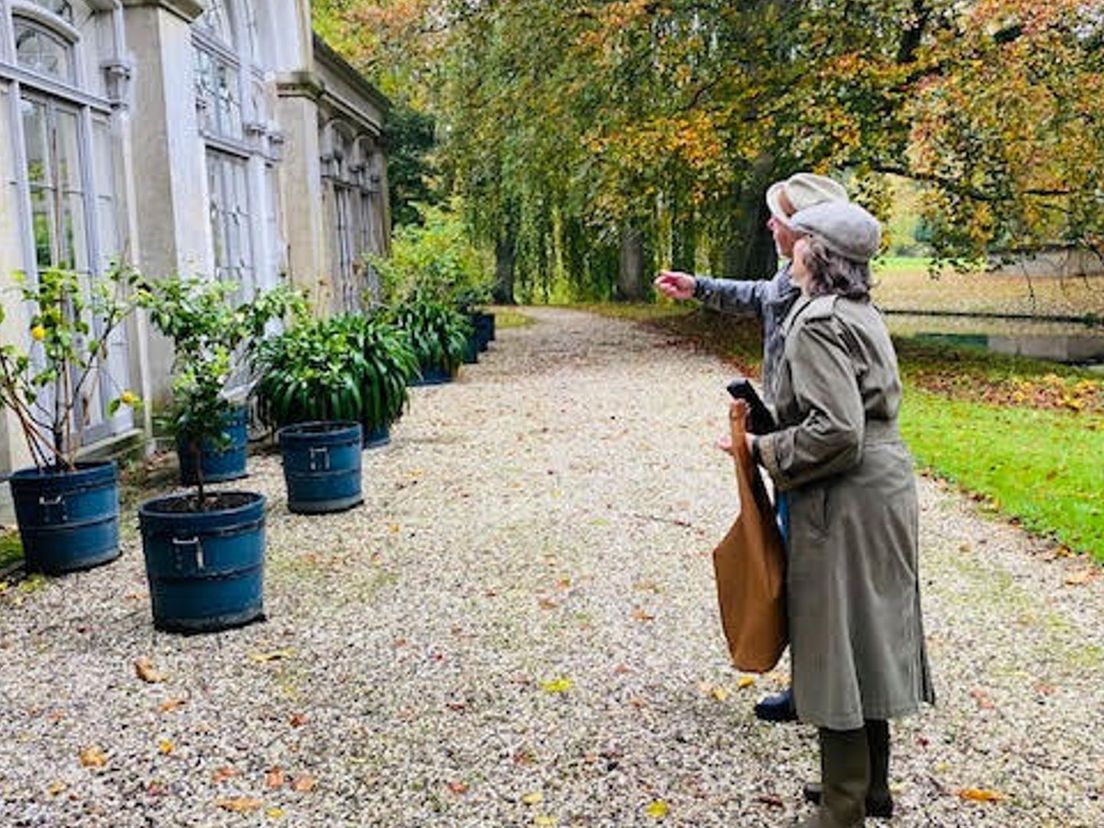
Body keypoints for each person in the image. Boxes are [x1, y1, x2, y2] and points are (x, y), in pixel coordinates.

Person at [743, 201, 935, 826]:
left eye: (800, 238)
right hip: (882, 488)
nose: (790, 244)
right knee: (870, 634)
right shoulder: (859, 311)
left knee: (835, 645)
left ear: (814, 254)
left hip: (846, 498)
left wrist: (761, 447)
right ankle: (869, 787)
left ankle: (842, 805)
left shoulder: (817, 321)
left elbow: (836, 431)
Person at [654, 172, 849, 723]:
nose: (768, 224)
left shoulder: (825, 295)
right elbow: (759, 296)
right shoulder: (791, 280)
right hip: (788, 448)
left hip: (810, 454)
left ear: (804, 229)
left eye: (779, 217)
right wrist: (698, 287)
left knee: (810, 575)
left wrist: (770, 445)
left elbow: (838, 415)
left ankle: (821, 691)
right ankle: (808, 683)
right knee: (790, 565)